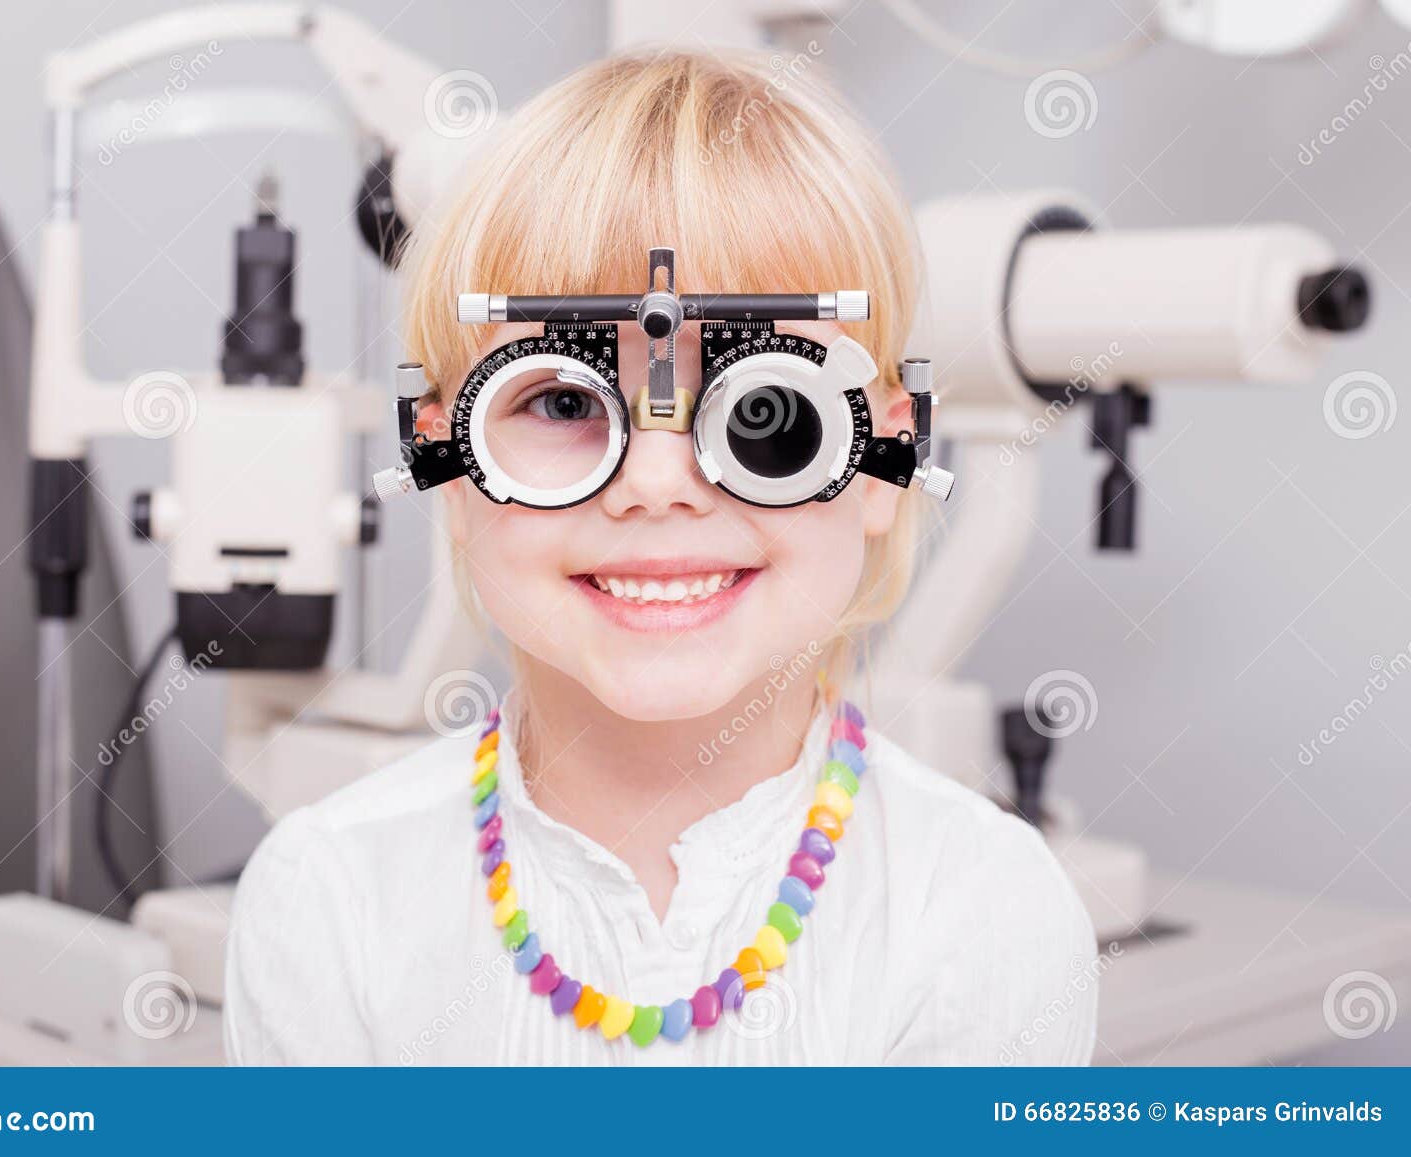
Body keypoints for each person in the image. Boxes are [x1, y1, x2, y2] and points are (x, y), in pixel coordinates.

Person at [224, 46, 1097, 1066]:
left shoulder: (981, 913)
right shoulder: (329, 897)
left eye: (761, 404)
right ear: (443, 459)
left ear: (879, 457)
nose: (655, 479)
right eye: (560, 398)